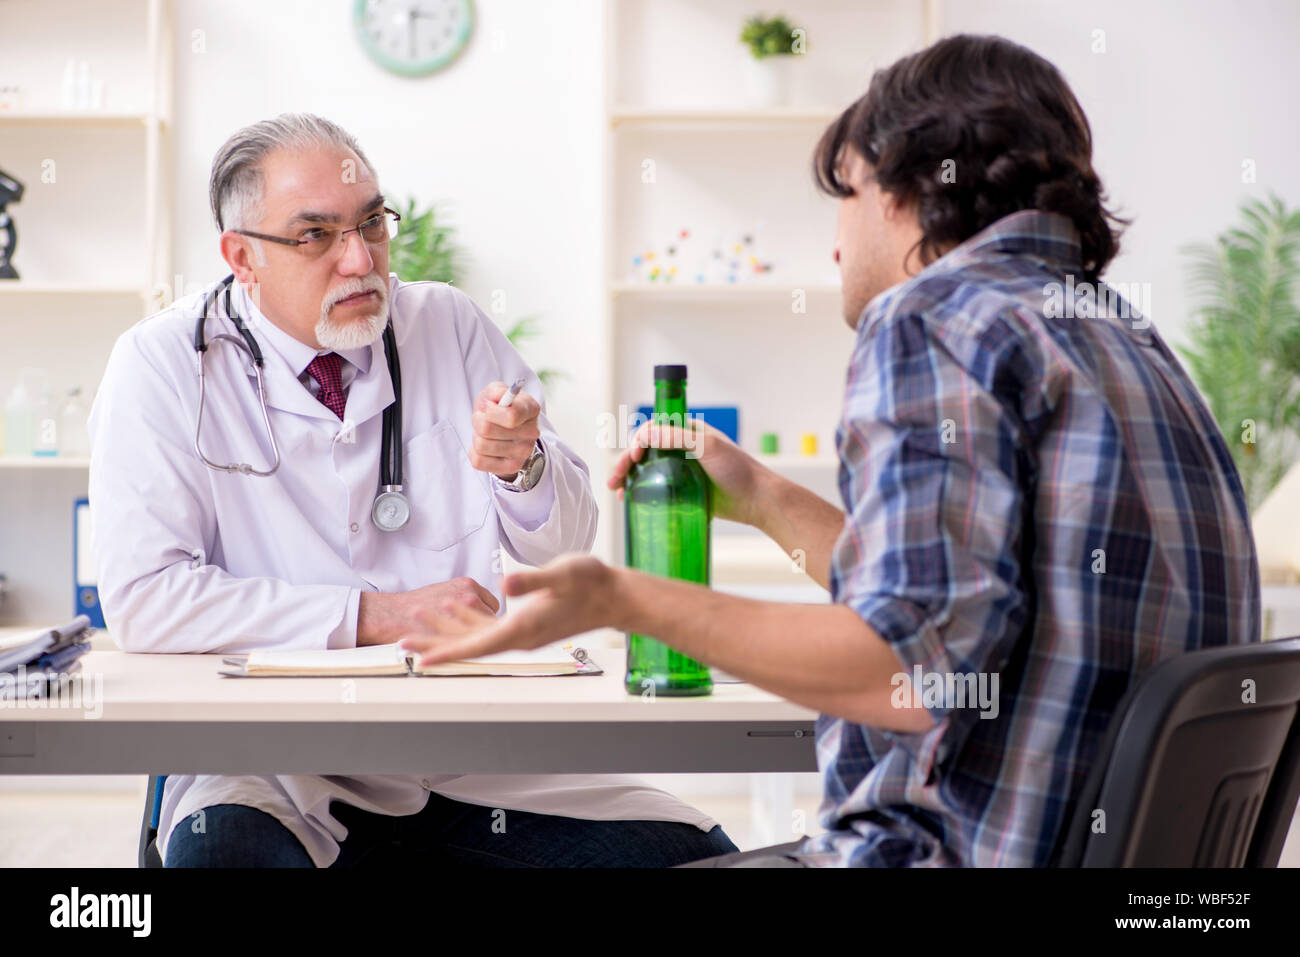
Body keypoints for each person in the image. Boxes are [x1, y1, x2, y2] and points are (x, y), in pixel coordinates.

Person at [399, 34, 1262, 867]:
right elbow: (964, 612)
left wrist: (627, 599)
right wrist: (768, 498)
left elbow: (906, 671)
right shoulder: (1128, 339)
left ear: (908, 189)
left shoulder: (934, 320)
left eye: (845, 193)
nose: (838, 243)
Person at [87, 113, 736, 868]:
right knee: (224, 858)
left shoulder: (447, 324)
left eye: (370, 224)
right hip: (270, 764)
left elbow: (564, 545)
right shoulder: (163, 364)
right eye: (316, 235)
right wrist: (376, 614)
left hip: (467, 759)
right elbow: (144, 596)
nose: (359, 258)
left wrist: (521, 465)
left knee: (693, 856)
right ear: (242, 257)